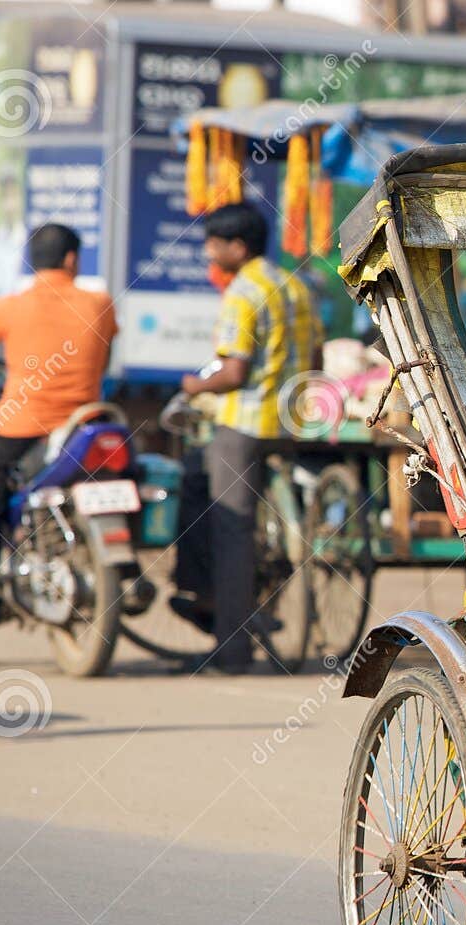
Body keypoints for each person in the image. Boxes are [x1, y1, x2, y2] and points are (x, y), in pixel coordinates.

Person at [0, 224, 117, 675]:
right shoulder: (99, 303)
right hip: (89, 423)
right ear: (72, 260)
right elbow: (104, 351)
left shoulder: (9, 307)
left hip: (21, 427)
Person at [178, 203, 323, 674]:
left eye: (213, 243)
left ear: (236, 248)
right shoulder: (297, 286)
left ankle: (232, 650)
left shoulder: (243, 291)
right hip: (290, 426)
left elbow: (234, 372)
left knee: (231, 530)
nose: (208, 252)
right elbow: (317, 353)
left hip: (244, 426)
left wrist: (195, 385)